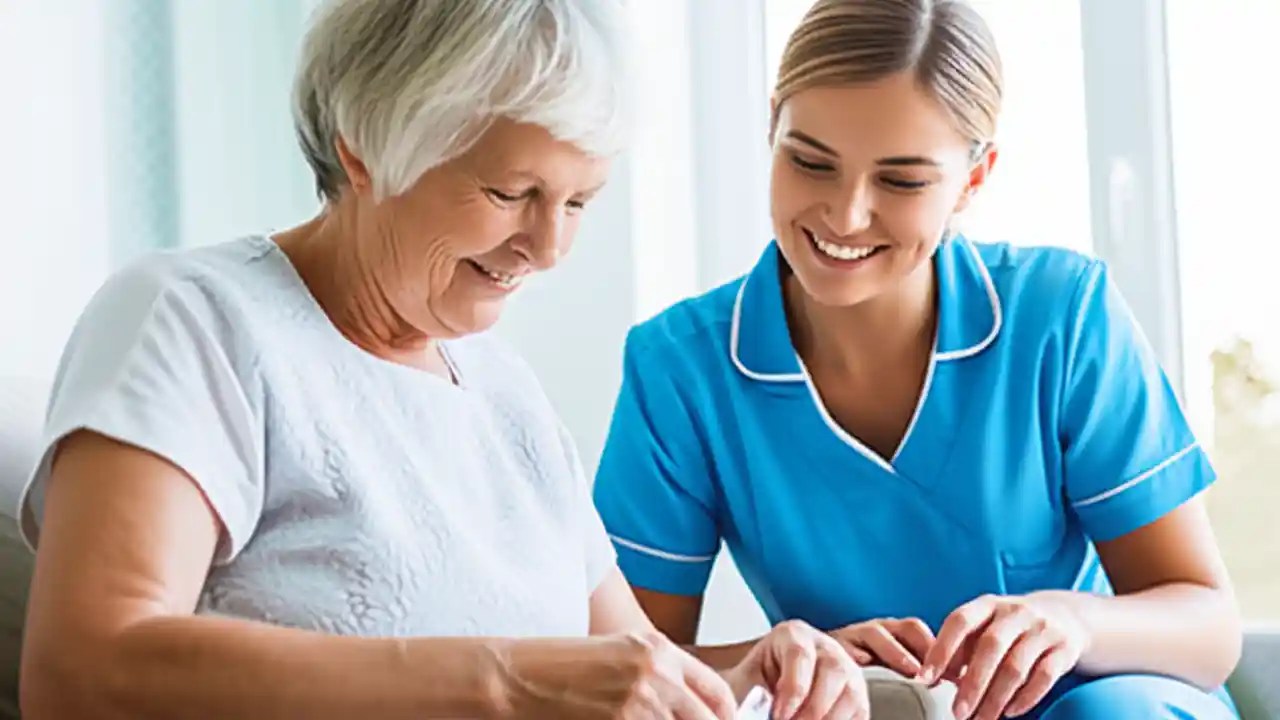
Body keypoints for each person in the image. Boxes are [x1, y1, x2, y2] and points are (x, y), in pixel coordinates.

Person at [15, 1, 868, 718]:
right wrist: (502, 679)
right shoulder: (197, 321)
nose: (548, 246)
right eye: (510, 193)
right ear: (365, 148)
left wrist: (760, 665)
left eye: (579, 200)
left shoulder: (503, 392)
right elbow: (84, 669)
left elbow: (620, 666)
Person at [593, 1, 1243, 718]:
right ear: (771, 125)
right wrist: (770, 662)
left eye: (901, 181)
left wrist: (1071, 620)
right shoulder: (679, 370)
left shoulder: (1062, 315)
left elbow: (1208, 627)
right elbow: (628, 667)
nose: (845, 215)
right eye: (810, 161)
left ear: (974, 177)